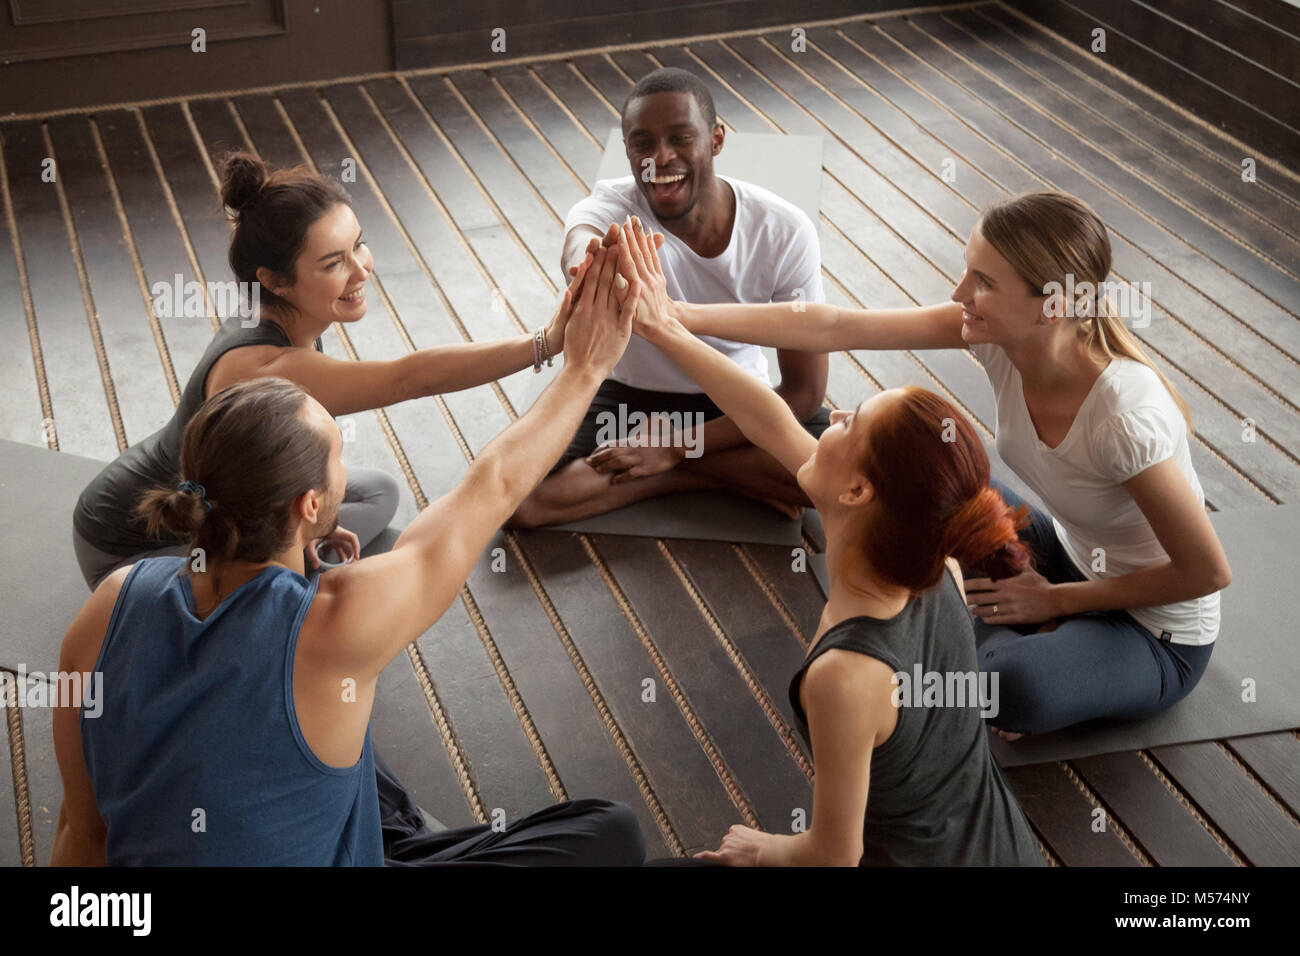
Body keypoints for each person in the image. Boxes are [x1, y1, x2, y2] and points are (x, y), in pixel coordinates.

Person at [49, 243, 648, 866]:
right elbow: (491, 486)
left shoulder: (109, 603)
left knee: (339, 734)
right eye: (339, 454)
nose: (346, 466)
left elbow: (82, 832)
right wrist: (586, 366)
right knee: (609, 831)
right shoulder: (335, 625)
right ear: (309, 506)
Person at [658, 192, 1233, 740]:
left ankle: (1032, 641)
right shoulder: (994, 334)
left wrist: (1051, 601)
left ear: (1052, 306)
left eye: (983, 282)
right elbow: (834, 326)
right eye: (968, 271)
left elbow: (1206, 573)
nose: (961, 292)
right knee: (920, 483)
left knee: (1008, 688)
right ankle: (1022, 634)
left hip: (1155, 630)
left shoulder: (1126, 415)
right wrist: (678, 315)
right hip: (1066, 555)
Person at [619, 219, 1043, 866]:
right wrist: (664, 327)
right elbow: (767, 418)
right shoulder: (938, 573)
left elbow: (833, 856)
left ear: (857, 493)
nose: (835, 416)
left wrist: (764, 850)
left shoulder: (845, 676)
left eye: (854, 422)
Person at [73, 150, 577, 590]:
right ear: (274, 279)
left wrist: (304, 527)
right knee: (277, 577)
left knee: (378, 491)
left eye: (358, 244)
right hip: (129, 548)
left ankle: (285, 566)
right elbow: (409, 377)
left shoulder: (279, 314)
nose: (361, 269)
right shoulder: (263, 365)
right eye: (333, 262)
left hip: (231, 507)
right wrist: (545, 342)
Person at [510, 67, 831, 528]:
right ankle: (719, 476)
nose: (660, 158)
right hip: (628, 401)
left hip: (736, 399)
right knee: (520, 501)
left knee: (842, 480)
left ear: (716, 140)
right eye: (642, 144)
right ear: (627, 150)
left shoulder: (783, 230)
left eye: (681, 138)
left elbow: (804, 391)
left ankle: (673, 467)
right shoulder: (607, 209)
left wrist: (678, 445)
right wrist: (589, 267)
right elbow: (580, 243)